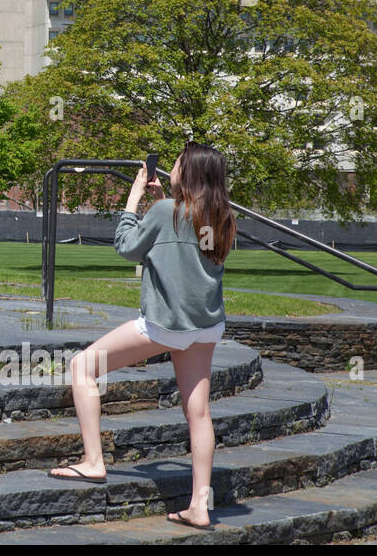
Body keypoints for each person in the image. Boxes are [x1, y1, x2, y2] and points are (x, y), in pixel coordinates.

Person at [48, 141, 237, 531]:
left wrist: (134, 200)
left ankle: (93, 462)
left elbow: (127, 248)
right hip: (205, 327)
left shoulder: (167, 211)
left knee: (83, 366)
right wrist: (162, 203)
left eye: (176, 165)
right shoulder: (218, 217)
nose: (169, 171)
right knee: (198, 412)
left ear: (190, 173)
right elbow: (187, 245)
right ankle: (199, 506)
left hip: (165, 325)